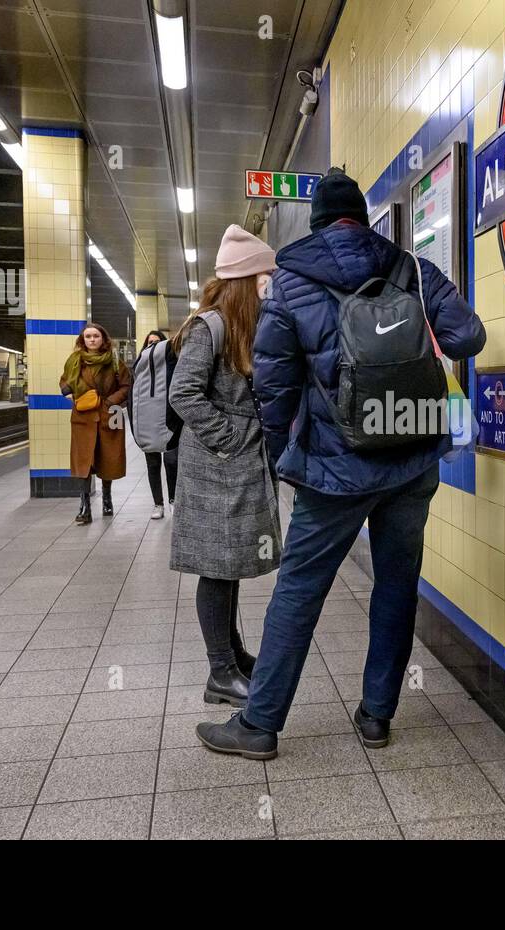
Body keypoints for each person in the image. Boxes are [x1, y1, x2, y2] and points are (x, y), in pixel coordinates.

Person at [196, 169, 486, 760]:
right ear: (364, 219)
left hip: (333, 470)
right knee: (398, 583)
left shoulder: (291, 285)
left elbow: (273, 389)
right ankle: (377, 715)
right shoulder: (412, 268)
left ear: (320, 222)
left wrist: (286, 459)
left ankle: (261, 725)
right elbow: (468, 338)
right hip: (411, 456)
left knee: (299, 590)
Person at [168, 224, 283, 708]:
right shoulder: (210, 326)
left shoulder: (242, 326)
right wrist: (230, 437)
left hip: (232, 468)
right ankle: (220, 672)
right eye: (265, 276)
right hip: (216, 467)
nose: (270, 284)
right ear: (245, 280)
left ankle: (234, 655)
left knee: (229, 563)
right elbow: (183, 393)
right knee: (215, 569)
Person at [59, 322, 131, 525]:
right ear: (83, 340)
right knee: (84, 462)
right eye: (88, 336)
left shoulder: (115, 361)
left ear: (103, 339)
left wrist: (109, 402)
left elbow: (126, 386)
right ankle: (84, 507)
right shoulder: (74, 360)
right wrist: (69, 392)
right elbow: (64, 380)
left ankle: (107, 497)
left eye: (96, 336)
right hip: (83, 418)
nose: (92, 339)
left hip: (109, 415)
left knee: (107, 458)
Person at [135, 329, 179, 520]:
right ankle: (158, 504)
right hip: (147, 423)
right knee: (153, 464)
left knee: (172, 462)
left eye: (157, 342)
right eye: (149, 342)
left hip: (168, 422)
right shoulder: (139, 368)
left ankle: (173, 501)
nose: (152, 345)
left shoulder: (173, 366)